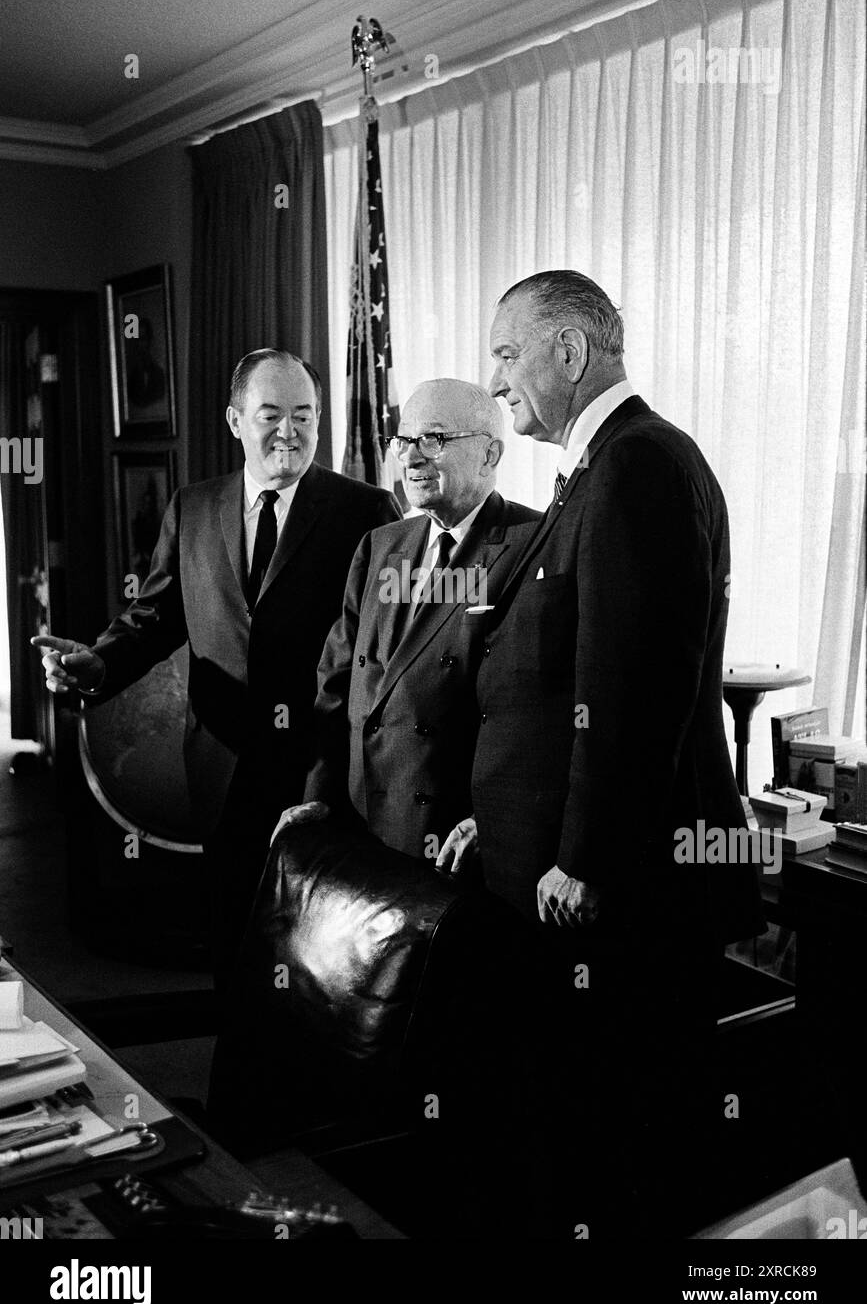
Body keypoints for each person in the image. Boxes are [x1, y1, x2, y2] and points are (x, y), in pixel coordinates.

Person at [441, 269, 765, 1235]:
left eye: (507, 354)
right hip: (567, 877)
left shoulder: (639, 466)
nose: (495, 382)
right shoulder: (599, 468)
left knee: (626, 1141)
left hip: (620, 892)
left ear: (568, 352)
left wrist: (583, 859)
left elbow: (631, 690)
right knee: (576, 1127)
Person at [33, 349, 400, 984]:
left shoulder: (366, 512)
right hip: (220, 766)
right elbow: (152, 618)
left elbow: (382, 648)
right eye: (270, 415)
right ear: (234, 421)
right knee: (233, 948)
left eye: (304, 416)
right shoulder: (193, 507)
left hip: (321, 770)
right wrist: (93, 664)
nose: (289, 432)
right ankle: (236, 1079)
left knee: (321, 961)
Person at [273, 379, 540, 864]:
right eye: (403, 441)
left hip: (456, 843)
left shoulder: (531, 545)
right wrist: (318, 794)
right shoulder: (381, 545)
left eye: (433, 440)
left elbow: (536, 710)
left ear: (490, 454)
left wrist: (497, 818)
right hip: (360, 828)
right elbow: (335, 685)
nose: (411, 459)